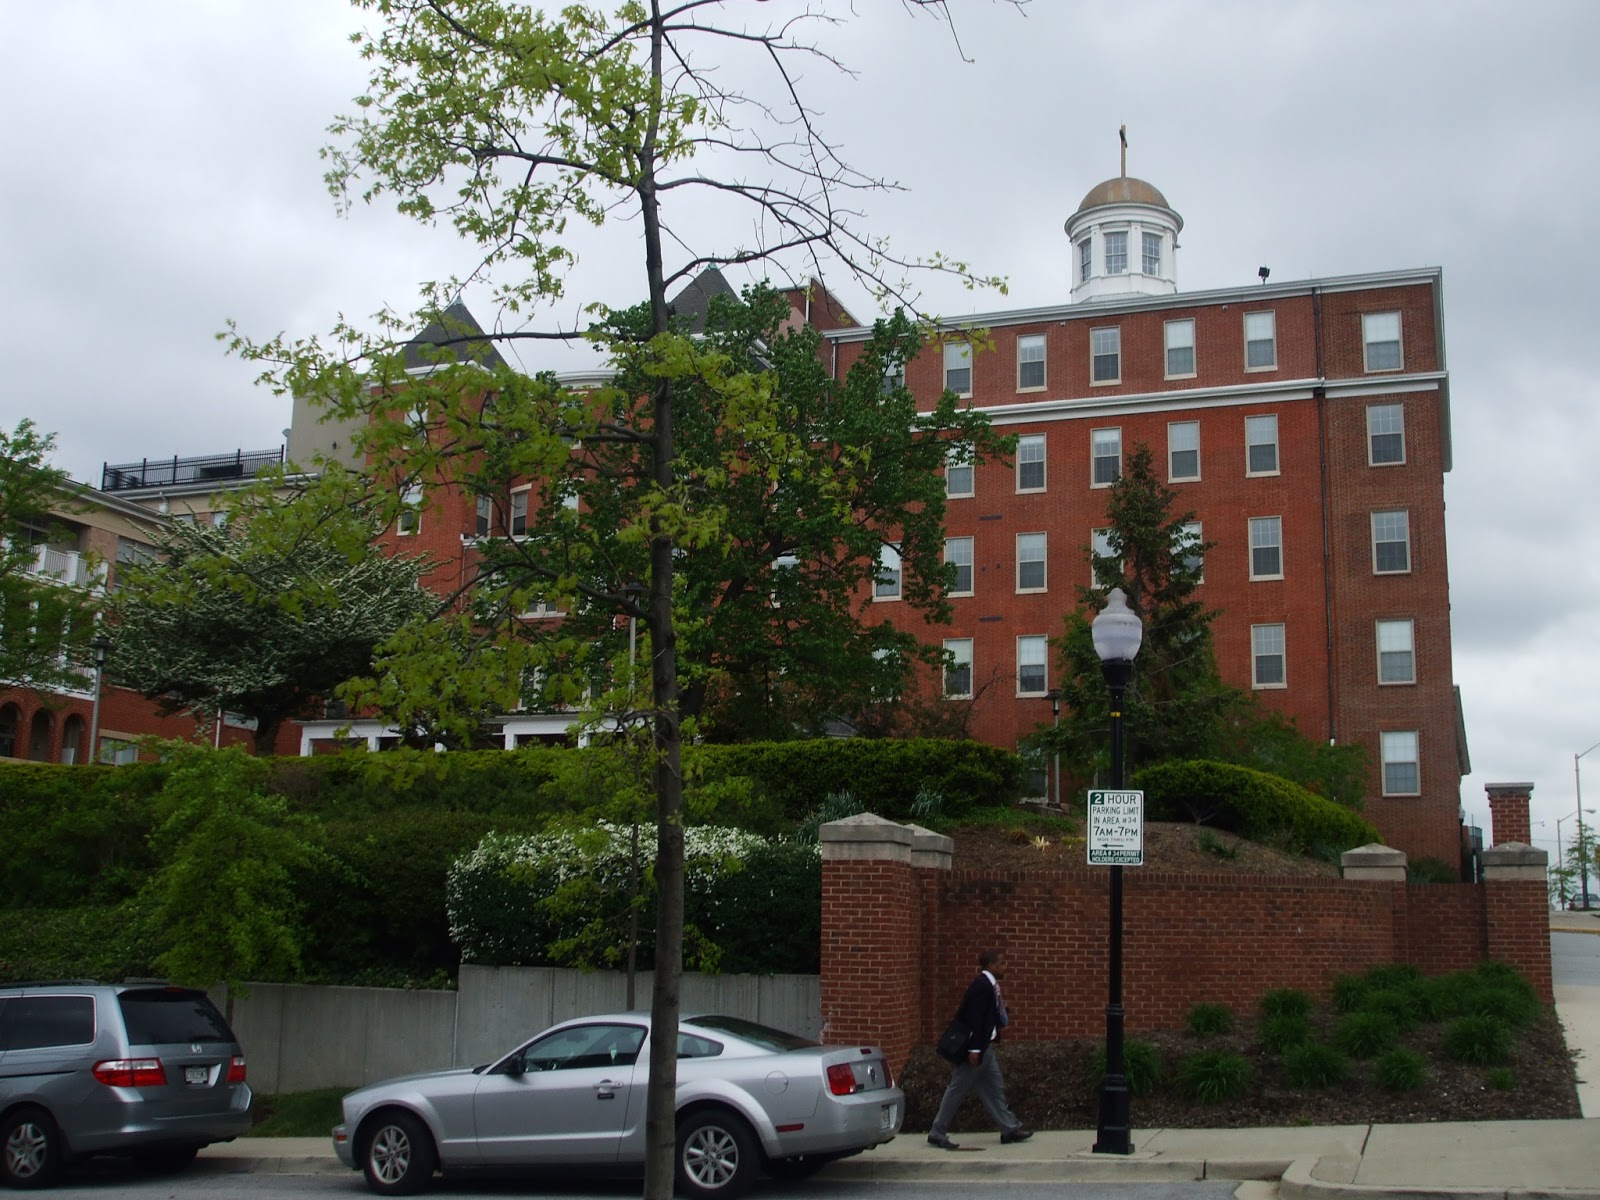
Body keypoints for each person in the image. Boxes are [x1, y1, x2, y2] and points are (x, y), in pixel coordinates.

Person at [926, 947, 1032, 1149]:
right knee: (957, 1088)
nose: (1004, 966)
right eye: (1001, 963)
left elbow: (987, 1017)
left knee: (994, 1088)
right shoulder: (982, 986)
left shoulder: (990, 986)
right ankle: (937, 1131)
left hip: (986, 1048)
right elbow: (974, 1019)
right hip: (977, 1050)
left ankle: (1009, 1128)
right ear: (991, 965)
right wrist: (974, 1050)